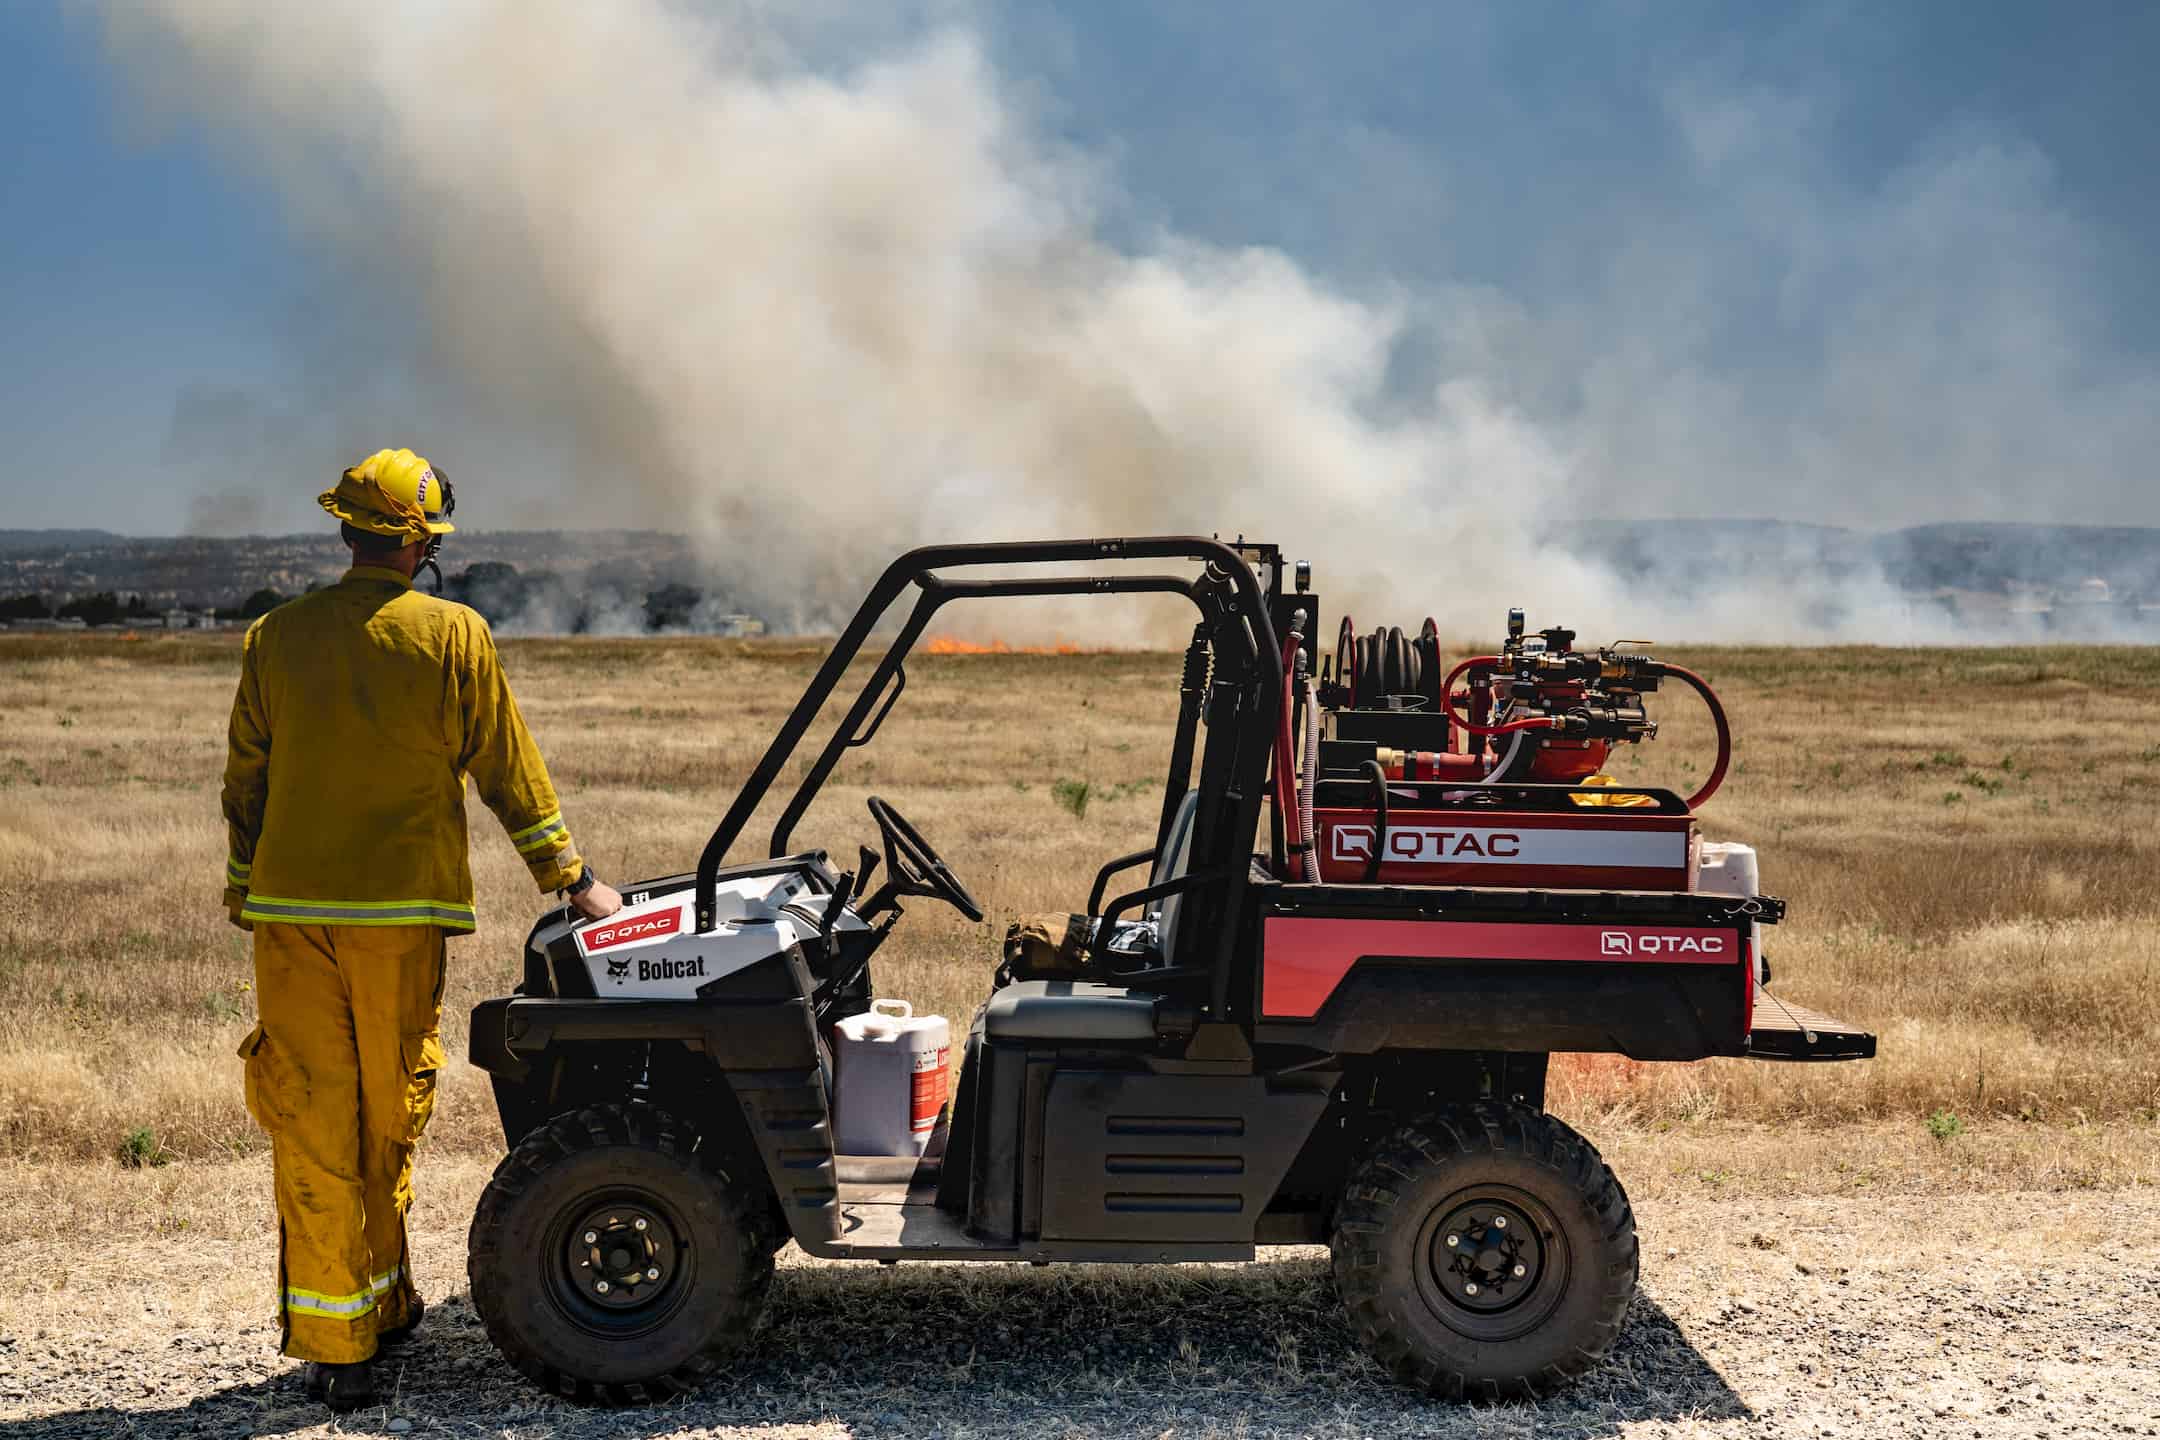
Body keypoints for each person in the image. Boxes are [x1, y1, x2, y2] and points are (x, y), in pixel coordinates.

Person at [219, 447, 621, 1411]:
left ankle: (346, 1334)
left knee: (312, 1114)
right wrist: (572, 881)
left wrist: (248, 887)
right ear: (421, 541)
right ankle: (379, 1306)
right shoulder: (454, 636)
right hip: (399, 919)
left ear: (346, 529)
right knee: (387, 1115)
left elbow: (246, 783)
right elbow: (507, 772)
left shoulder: (274, 636)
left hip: (290, 917)